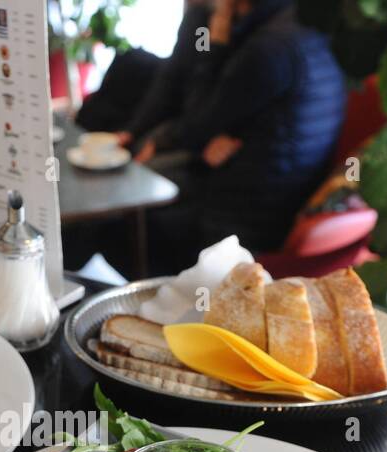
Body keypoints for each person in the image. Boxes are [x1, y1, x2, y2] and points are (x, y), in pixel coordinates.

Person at [116, 0, 347, 272]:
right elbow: (183, 88)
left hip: (248, 219)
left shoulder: (269, 47)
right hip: (281, 189)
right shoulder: (305, 20)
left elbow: (197, 122)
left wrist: (216, 41)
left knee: (123, 217)